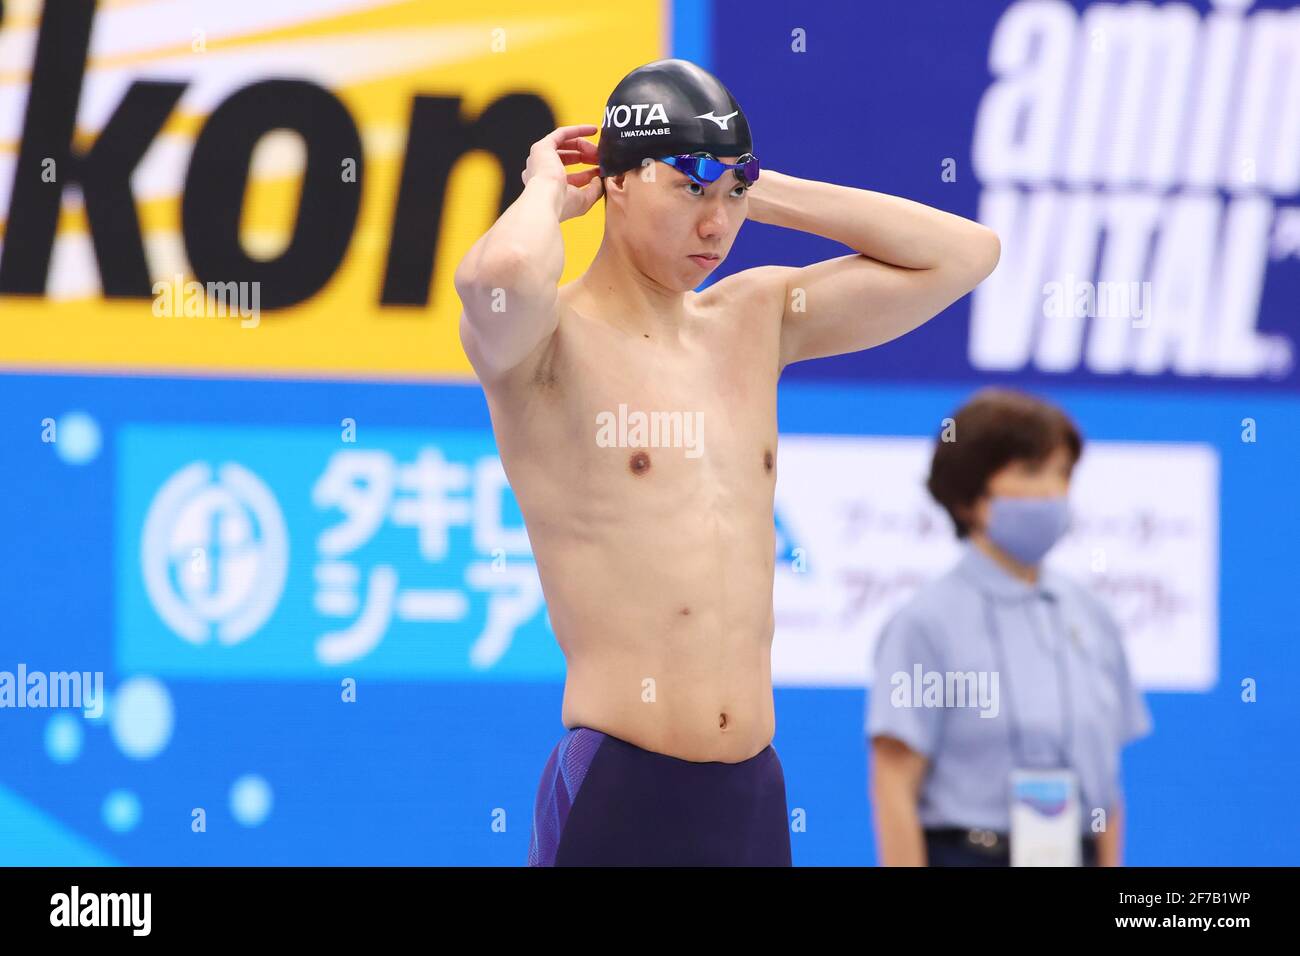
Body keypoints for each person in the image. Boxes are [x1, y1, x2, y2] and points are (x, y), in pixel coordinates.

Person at [454, 57, 1001, 866]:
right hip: (621, 787)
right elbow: (496, 276)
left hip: (750, 793)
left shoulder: (756, 318)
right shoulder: (543, 343)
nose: (717, 227)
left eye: (731, 200)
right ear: (617, 182)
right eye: (690, 192)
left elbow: (966, 254)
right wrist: (544, 189)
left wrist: (755, 185)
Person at [868, 387, 1153, 866]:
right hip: (971, 853)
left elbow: (1107, 785)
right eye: (1030, 471)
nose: (1052, 492)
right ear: (969, 498)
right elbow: (894, 781)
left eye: (1062, 473)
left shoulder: (1093, 616)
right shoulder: (925, 622)